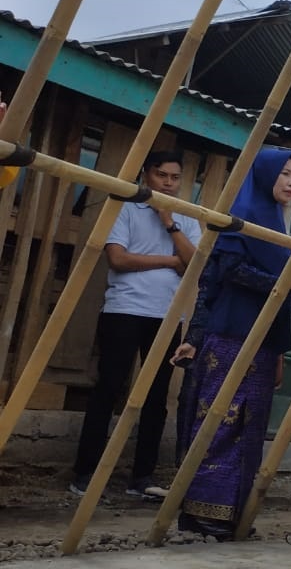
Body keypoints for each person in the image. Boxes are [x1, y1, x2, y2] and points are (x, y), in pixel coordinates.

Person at [172, 147, 291, 540]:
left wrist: (282, 347)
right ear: (265, 175)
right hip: (232, 335)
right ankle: (202, 512)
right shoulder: (244, 220)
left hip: (265, 342)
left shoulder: (282, 233)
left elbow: (287, 299)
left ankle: (230, 514)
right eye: (284, 174)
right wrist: (195, 337)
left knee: (251, 429)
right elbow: (227, 274)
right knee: (220, 421)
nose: (290, 182)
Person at [69, 151, 201, 499]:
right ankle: (84, 473)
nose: (168, 184)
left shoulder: (188, 218)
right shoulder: (125, 208)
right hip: (124, 309)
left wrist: (170, 222)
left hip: (168, 316)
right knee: (108, 388)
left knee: (156, 397)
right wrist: (171, 259)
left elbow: (195, 265)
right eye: (161, 175)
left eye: (174, 177)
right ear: (146, 175)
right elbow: (119, 259)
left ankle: (141, 478)